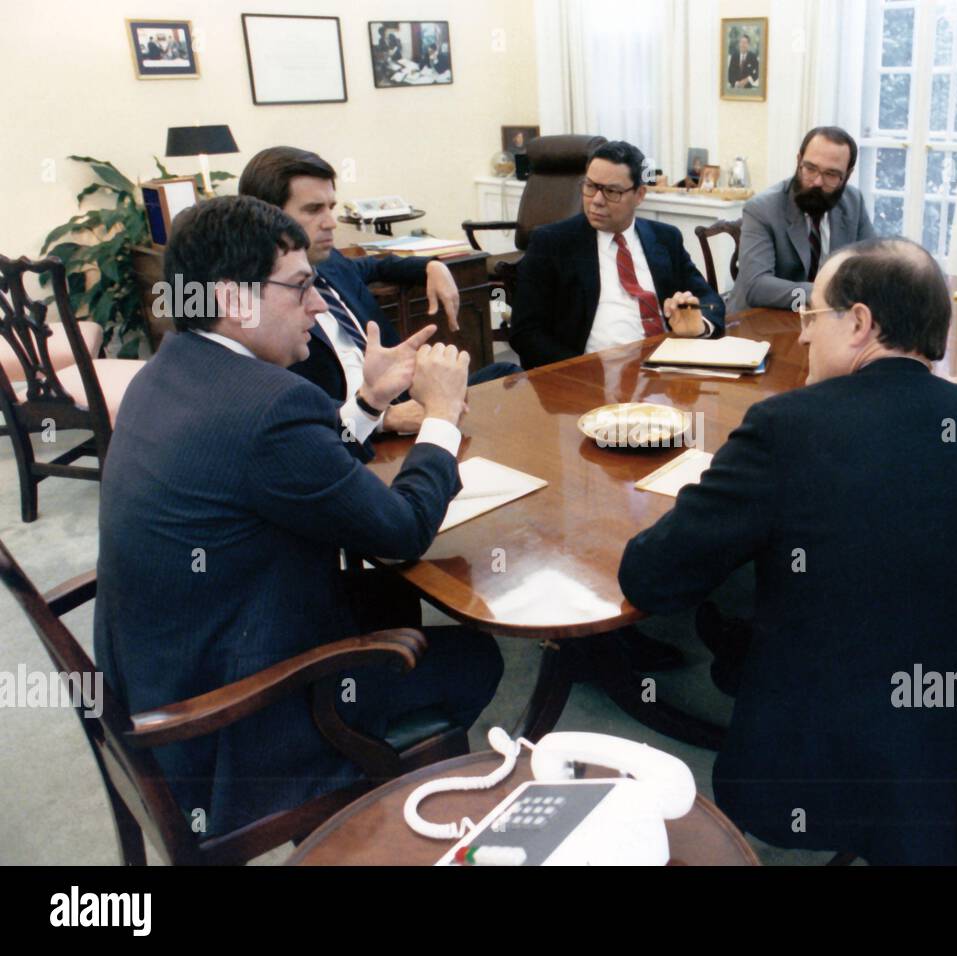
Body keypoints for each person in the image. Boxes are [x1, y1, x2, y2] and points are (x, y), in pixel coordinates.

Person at [620, 238, 957, 864]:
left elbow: (652, 578)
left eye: (811, 317)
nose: (801, 338)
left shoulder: (788, 426)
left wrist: (705, 494)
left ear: (859, 323)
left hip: (835, 762)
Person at [94, 196, 503, 837]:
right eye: (300, 286)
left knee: (394, 602)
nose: (317, 304)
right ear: (233, 300)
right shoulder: (268, 404)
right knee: (478, 656)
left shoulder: (170, 366)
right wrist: (443, 417)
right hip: (227, 726)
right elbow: (400, 533)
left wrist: (367, 400)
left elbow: (293, 473)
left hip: (163, 669)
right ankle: (386, 830)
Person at [239, 147, 518, 449]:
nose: (330, 221)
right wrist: (385, 417)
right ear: (268, 217)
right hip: (352, 435)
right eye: (313, 210)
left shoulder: (329, 262)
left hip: (406, 397)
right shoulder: (256, 308)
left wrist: (431, 265)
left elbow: (375, 264)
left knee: (508, 376)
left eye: (331, 207)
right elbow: (286, 409)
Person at [508, 139, 725, 370]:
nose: (597, 201)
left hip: (667, 372)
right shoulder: (552, 242)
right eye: (590, 186)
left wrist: (698, 325)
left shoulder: (666, 238)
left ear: (639, 195)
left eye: (611, 191)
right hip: (591, 379)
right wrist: (583, 371)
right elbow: (525, 333)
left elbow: (711, 301)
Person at [729, 126, 875, 312]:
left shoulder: (853, 202)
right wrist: (823, 295)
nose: (817, 182)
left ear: (848, 174)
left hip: (825, 319)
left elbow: (872, 268)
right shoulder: (762, 209)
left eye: (830, 174)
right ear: (799, 161)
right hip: (759, 322)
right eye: (810, 168)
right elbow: (757, 287)